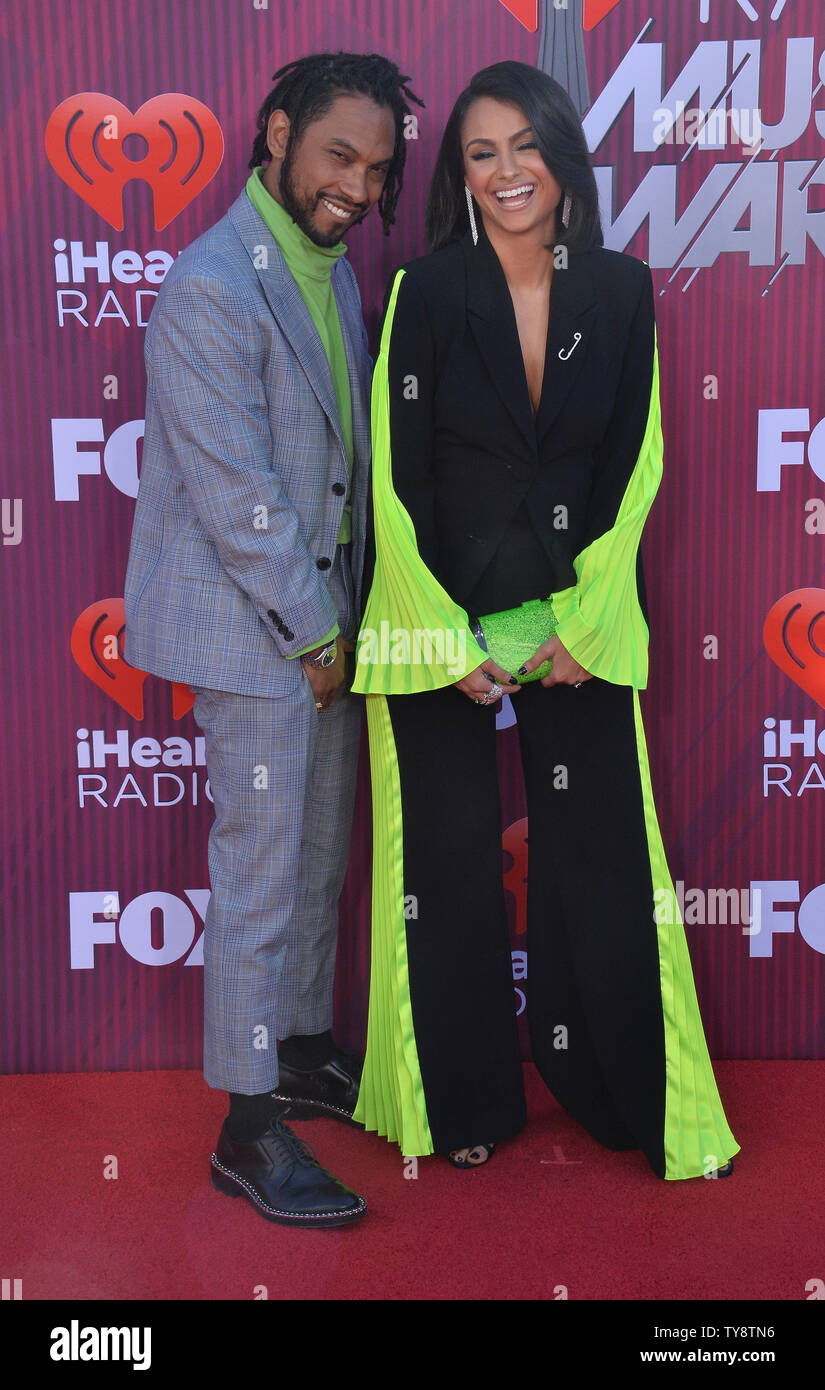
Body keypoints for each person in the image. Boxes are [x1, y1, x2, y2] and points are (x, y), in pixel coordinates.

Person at [351, 60, 739, 1181]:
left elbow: (635, 464)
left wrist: (591, 620)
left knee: (608, 864)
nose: (507, 170)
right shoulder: (425, 293)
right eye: (481, 153)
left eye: (526, 145)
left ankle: (640, 1106)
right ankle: (462, 1102)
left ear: (564, 156)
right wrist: (436, 633)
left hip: (579, 614)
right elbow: (397, 476)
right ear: (459, 177)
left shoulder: (620, 289)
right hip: (440, 618)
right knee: (447, 866)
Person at [123, 52, 422, 1227]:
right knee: (259, 877)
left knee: (316, 864)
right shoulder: (211, 284)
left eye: (377, 168)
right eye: (338, 155)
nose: (355, 185)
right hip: (263, 635)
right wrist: (313, 635)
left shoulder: (333, 270)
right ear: (278, 132)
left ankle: (297, 1050)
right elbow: (238, 496)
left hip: (325, 629)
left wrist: (344, 628)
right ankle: (247, 1128)